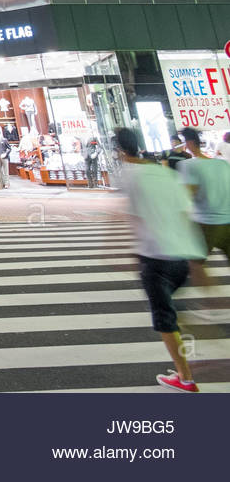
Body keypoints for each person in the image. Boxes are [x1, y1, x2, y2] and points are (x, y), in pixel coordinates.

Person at [113, 127, 207, 392]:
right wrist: (198, 259)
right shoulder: (166, 173)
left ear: (120, 151)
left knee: (165, 319)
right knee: (173, 312)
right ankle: (188, 354)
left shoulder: (130, 176)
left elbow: (133, 218)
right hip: (181, 257)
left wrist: (118, 250)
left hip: (155, 257)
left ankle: (186, 377)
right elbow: (186, 213)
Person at [178, 126, 230, 269]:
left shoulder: (188, 165)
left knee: (195, 267)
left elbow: (187, 195)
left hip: (207, 224)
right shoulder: (222, 164)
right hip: (228, 221)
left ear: (188, 143)